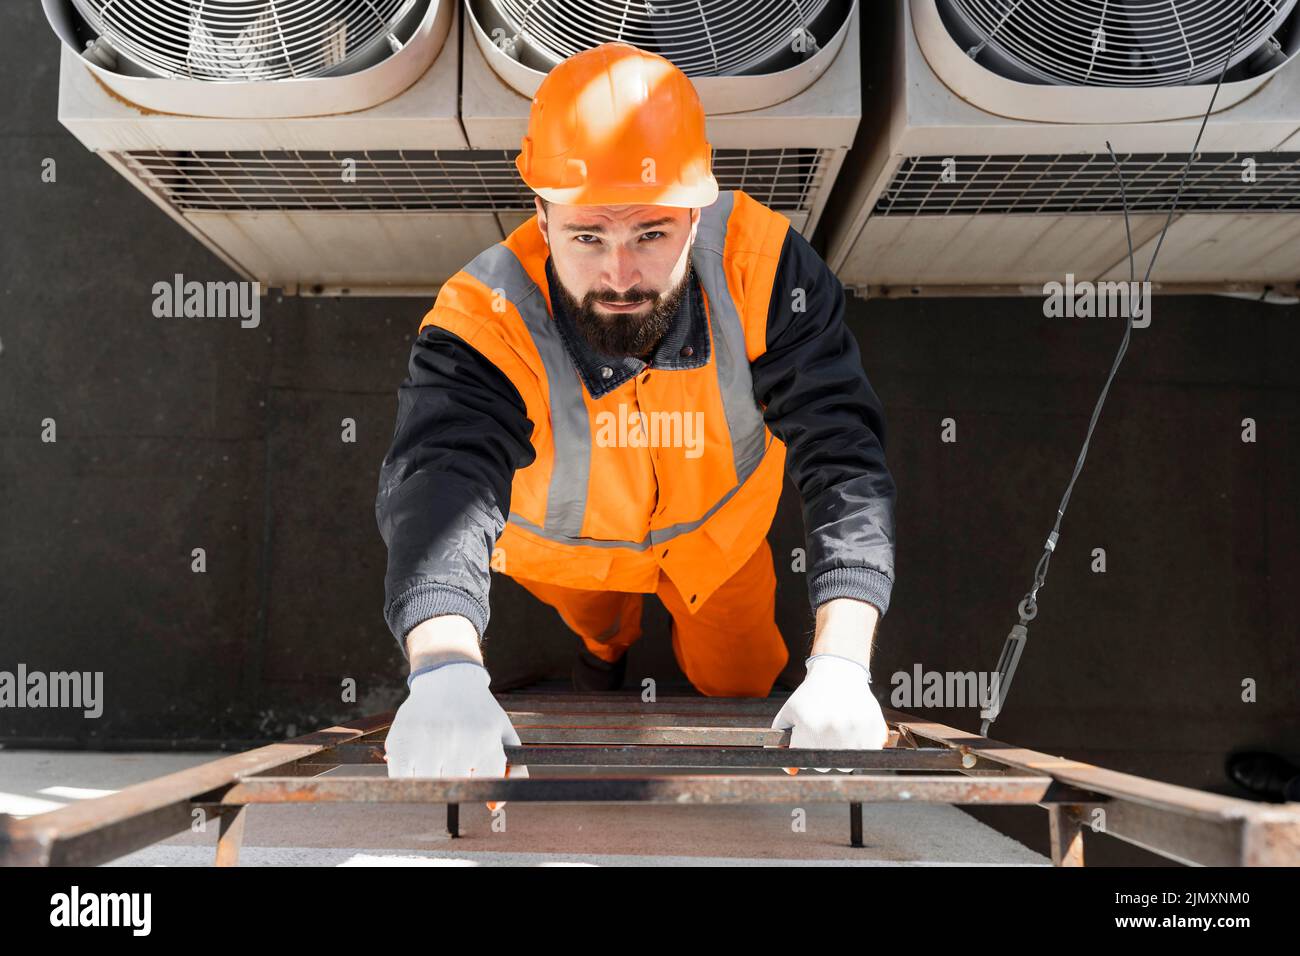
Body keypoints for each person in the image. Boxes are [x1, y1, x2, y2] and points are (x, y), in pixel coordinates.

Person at [377, 41, 896, 780]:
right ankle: (604, 655)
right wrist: (441, 666)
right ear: (542, 215)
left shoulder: (767, 267)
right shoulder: (482, 319)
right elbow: (440, 480)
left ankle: (642, 659)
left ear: (695, 211)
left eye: (650, 234)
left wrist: (844, 659)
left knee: (743, 678)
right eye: (587, 236)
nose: (619, 277)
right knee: (598, 625)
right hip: (568, 554)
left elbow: (844, 455)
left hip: (720, 541)